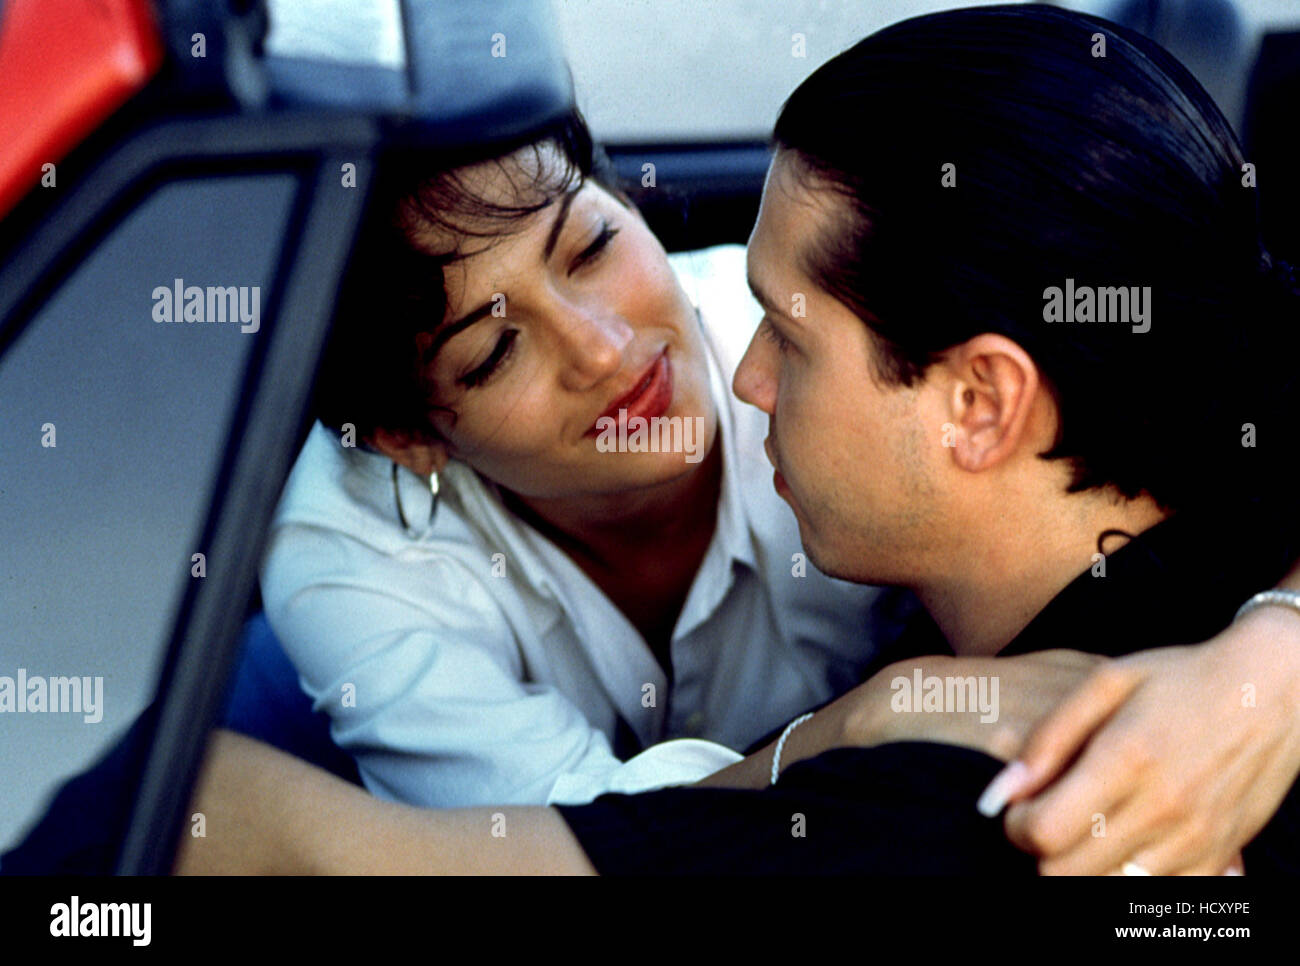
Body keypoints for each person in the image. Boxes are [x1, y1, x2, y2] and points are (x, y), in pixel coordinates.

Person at [177, 4, 1300, 876]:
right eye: (490, 352)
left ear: (980, 402)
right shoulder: (1220, 426)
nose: (737, 376)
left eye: (789, 340)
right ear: (408, 435)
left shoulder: (937, 815)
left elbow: (259, 833)